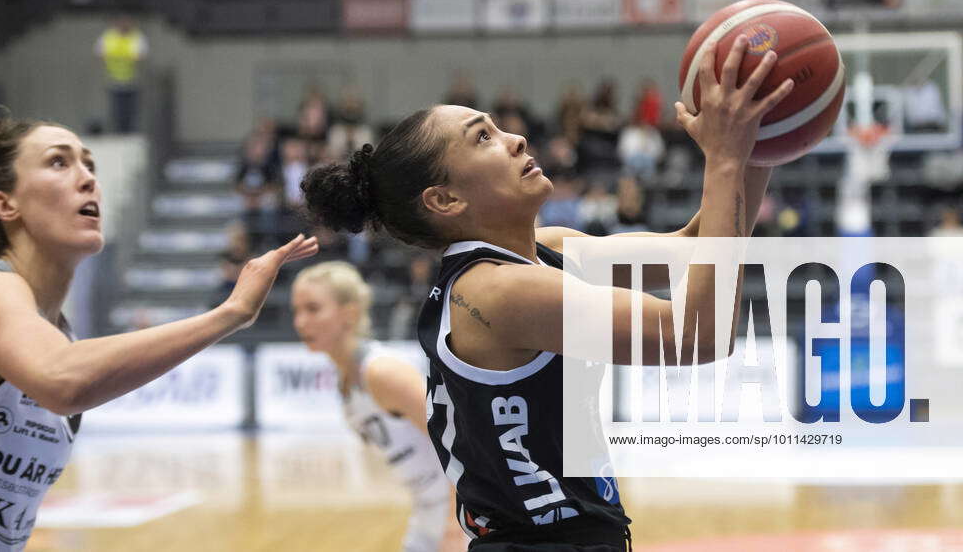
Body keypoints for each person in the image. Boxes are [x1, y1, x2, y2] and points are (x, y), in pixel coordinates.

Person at [300, 36, 794, 550]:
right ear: (445, 199)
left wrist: (759, 146)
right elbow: (699, 335)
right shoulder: (497, 292)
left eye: (498, 127)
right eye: (483, 138)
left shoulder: (542, 251)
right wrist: (726, 162)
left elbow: (695, 246)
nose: (516, 138)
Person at [0, 116, 318, 551]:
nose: (88, 178)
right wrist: (231, 313)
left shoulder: (59, 333)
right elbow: (63, 380)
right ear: (5, 205)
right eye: (59, 163)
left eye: (90, 164)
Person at [290, 261, 466, 552]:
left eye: (313, 309)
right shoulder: (347, 377)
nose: (300, 322)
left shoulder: (381, 372)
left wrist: (454, 524)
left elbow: (461, 441)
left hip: (458, 517)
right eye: (297, 310)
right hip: (425, 514)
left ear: (350, 313)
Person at [94, 16, 148, 133]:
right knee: (117, 111)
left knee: (131, 111)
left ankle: (130, 133)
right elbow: (100, 55)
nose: (124, 23)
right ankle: (118, 132)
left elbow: (141, 56)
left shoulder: (137, 37)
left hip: (132, 80)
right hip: (113, 80)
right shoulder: (108, 37)